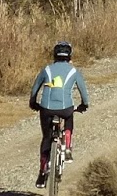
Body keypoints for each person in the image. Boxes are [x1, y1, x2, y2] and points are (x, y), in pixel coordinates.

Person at [29, 41, 89, 188]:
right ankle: (67, 147)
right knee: (69, 118)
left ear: (54, 55)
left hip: (46, 109)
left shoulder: (47, 70)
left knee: (46, 138)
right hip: (65, 108)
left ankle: (43, 172)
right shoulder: (74, 71)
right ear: (70, 56)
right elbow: (84, 92)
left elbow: (34, 89)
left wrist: (33, 103)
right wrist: (84, 105)